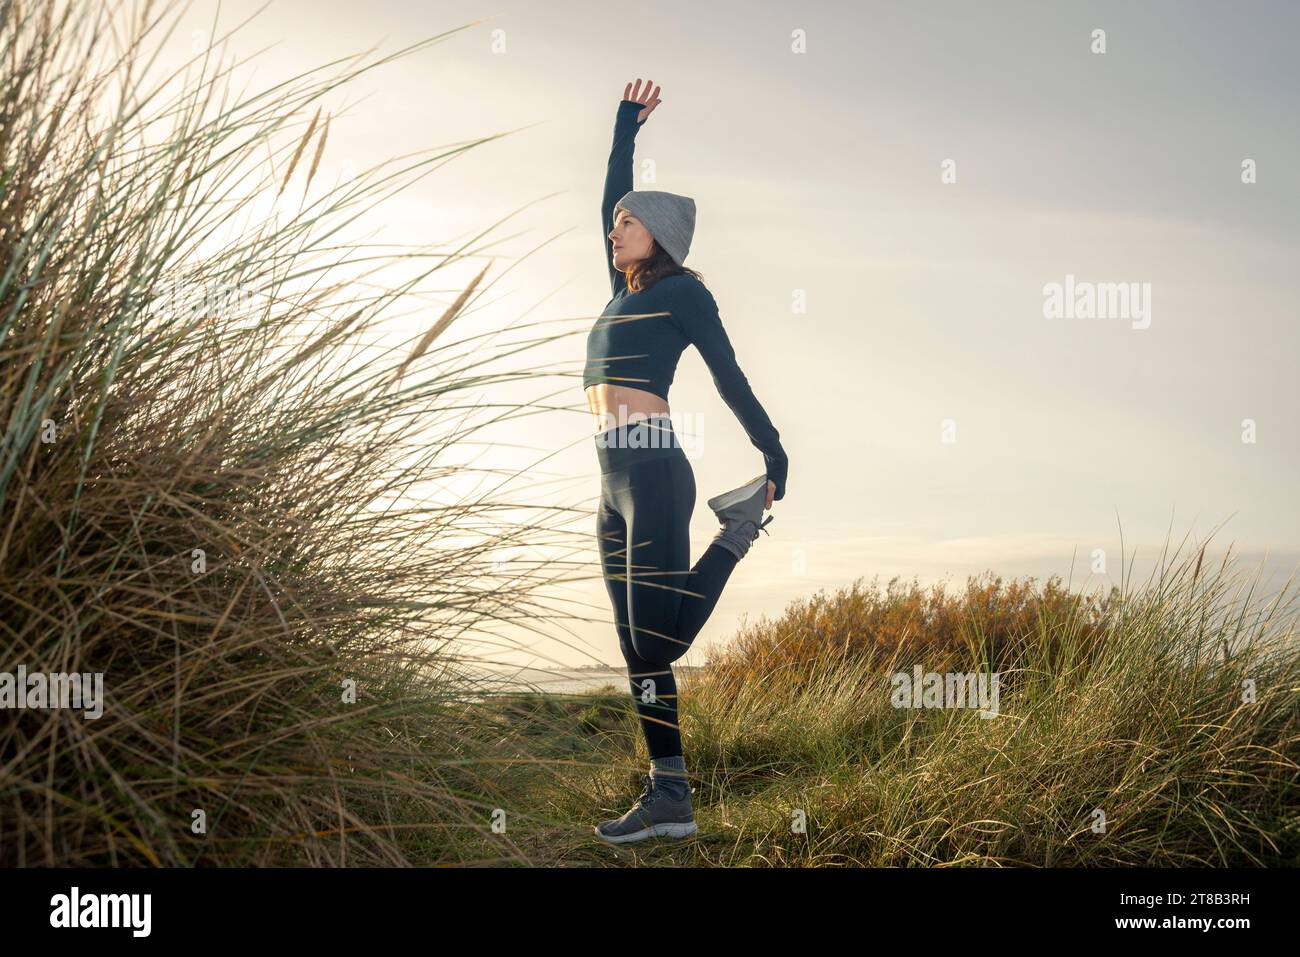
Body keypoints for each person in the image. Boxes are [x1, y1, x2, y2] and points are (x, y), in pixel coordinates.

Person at [585, 78, 789, 844]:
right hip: (609, 480)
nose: (615, 227)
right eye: (613, 222)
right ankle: (670, 796)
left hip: (654, 469)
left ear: (658, 234)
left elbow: (729, 375)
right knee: (638, 648)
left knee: (659, 641)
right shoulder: (619, 292)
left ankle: (736, 532)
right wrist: (622, 131)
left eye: (628, 221)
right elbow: (605, 195)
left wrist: (773, 452)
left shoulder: (682, 297)